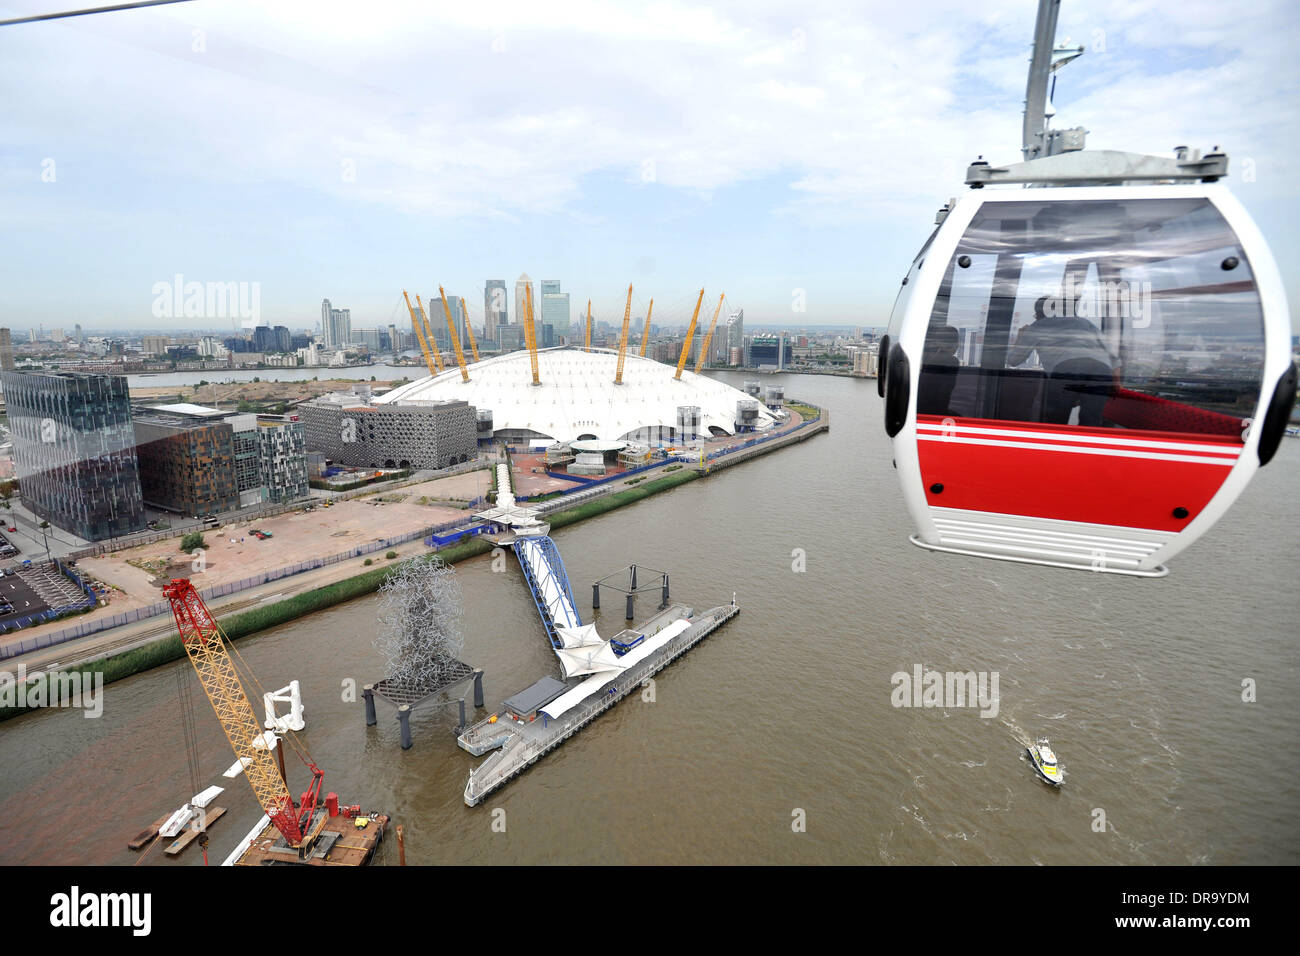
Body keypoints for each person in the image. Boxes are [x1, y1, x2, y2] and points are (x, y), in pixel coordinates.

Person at [1005, 296, 1115, 426]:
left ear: (1040, 313)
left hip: (1067, 370)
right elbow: (1110, 350)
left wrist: (1021, 337)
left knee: (1056, 420)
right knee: (1092, 420)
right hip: (1102, 370)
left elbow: (1013, 360)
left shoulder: (1038, 325)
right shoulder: (1084, 322)